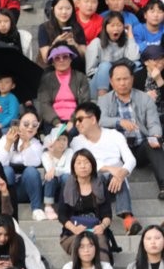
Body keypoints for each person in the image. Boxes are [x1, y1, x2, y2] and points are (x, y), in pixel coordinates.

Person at [71, 100, 142, 234]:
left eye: (80, 119)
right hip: (91, 185)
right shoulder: (76, 142)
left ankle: (128, 218)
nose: (77, 124)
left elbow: (131, 159)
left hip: (115, 184)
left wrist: (121, 173)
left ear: (92, 119)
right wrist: (108, 168)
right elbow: (82, 165)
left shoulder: (114, 135)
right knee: (101, 174)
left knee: (115, 175)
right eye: (76, 120)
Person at [98, 62, 164, 201]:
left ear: (132, 79)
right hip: (118, 153)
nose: (122, 83)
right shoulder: (104, 100)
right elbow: (100, 120)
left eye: (126, 78)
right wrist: (119, 121)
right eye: (118, 79)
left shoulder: (144, 98)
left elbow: (153, 123)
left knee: (153, 145)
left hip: (140, 148)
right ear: (111, 81)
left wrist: (155, 136)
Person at [0, 110, 47, 218]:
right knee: (7, 170)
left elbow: (34, 163)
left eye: (34, 124)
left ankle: (36, 209)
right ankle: (4, 207)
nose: (30, 127)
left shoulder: (36, 144)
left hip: (26, 190)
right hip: (7, 189)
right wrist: (9, 144)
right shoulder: (5, 139)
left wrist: (26, 144)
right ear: (18, 124)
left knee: (31, 171)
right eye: (26, 124)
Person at [36, 45, 91, 129]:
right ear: (53, 62)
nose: (61, 60)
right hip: (52, 121)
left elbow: (84, 101)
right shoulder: (47, 79)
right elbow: (44, 104)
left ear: (70, 59)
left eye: (65, 57)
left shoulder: (80, 77)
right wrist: (57, 123)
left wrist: (72, 121)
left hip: (76, 119)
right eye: (57, 58)